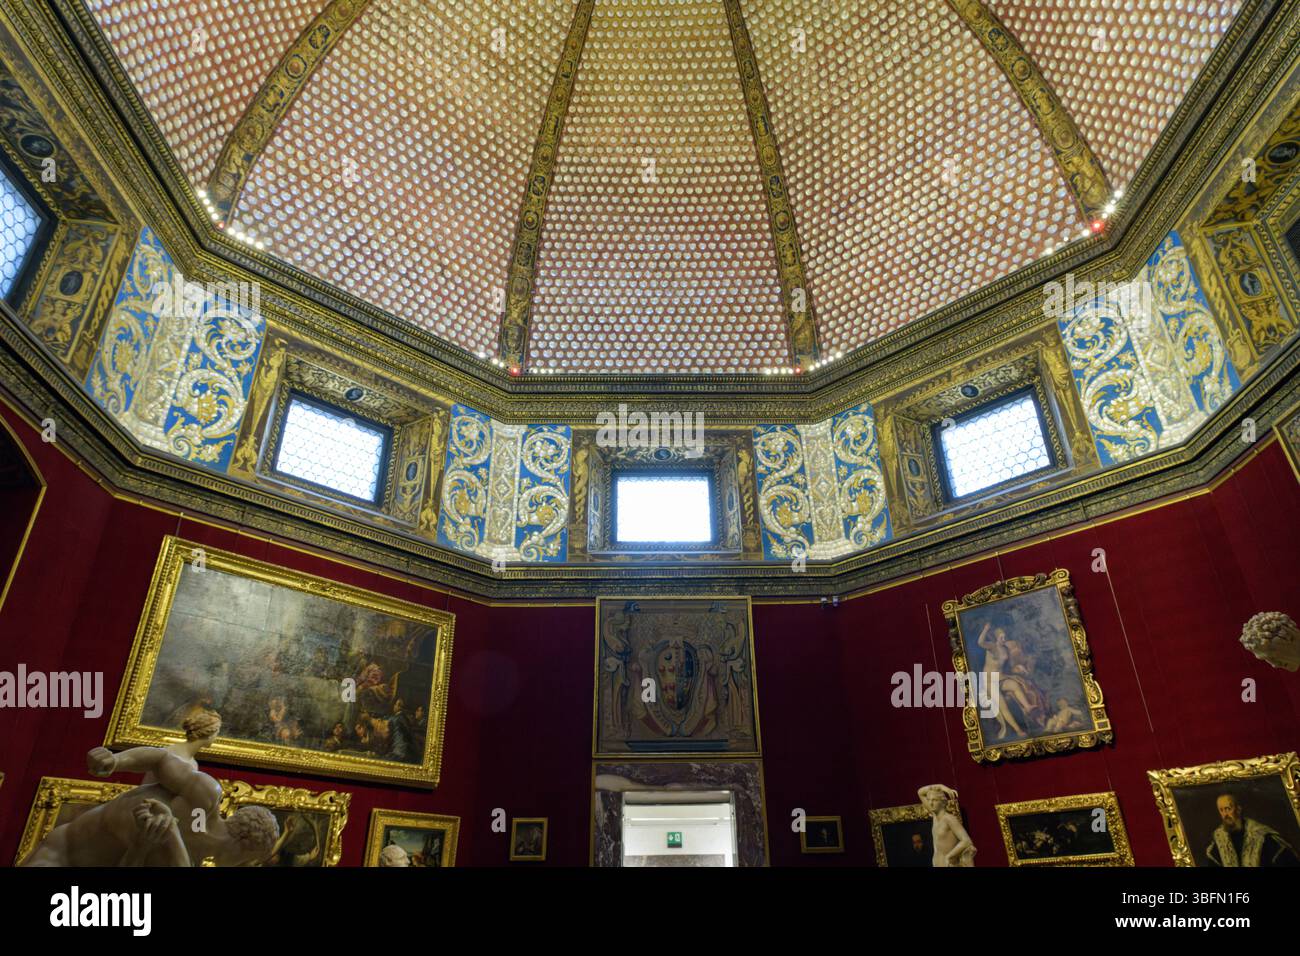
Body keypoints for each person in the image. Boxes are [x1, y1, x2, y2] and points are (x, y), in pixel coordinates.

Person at [20, 742, 278, 867]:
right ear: (246, 845)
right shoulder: (203, 799)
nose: (243, 865)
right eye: (250, 860)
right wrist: (115, 762)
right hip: (59, 857)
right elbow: (161, 760)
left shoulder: (187, 859)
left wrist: (164, 836)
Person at [1206, 793, 1300, 867]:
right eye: (1221, 810)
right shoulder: (1219, 839)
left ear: (1238, 810)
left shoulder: (1261, 835)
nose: (1225, 815)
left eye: (1228, 809)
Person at [918, 784, 975, 867]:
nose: (930, 803)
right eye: (929, 800)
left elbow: (967, 841)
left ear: (942, 802)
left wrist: (950, 856)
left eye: (934, 800)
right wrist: (941, 787)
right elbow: (920, 792)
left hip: (948, 864)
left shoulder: (949, 819)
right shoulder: (935, 816)